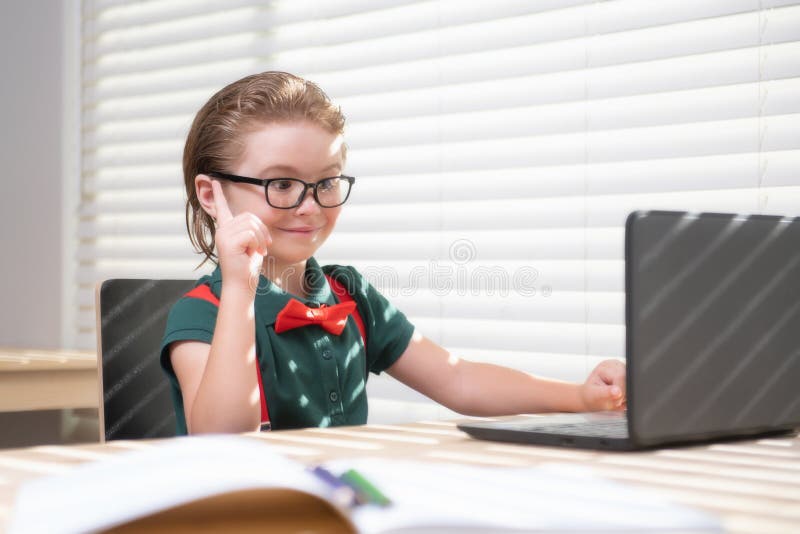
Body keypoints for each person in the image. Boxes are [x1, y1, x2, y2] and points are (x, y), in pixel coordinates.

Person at [160, 71, 626, 435]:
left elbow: (458, 379)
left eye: (326, 182)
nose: (310, 206)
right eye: (282, 184)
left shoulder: (350, 293)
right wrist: (240, 288)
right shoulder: (202, 313)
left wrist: (580, 398)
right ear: (211, 194)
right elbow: (224, 441)